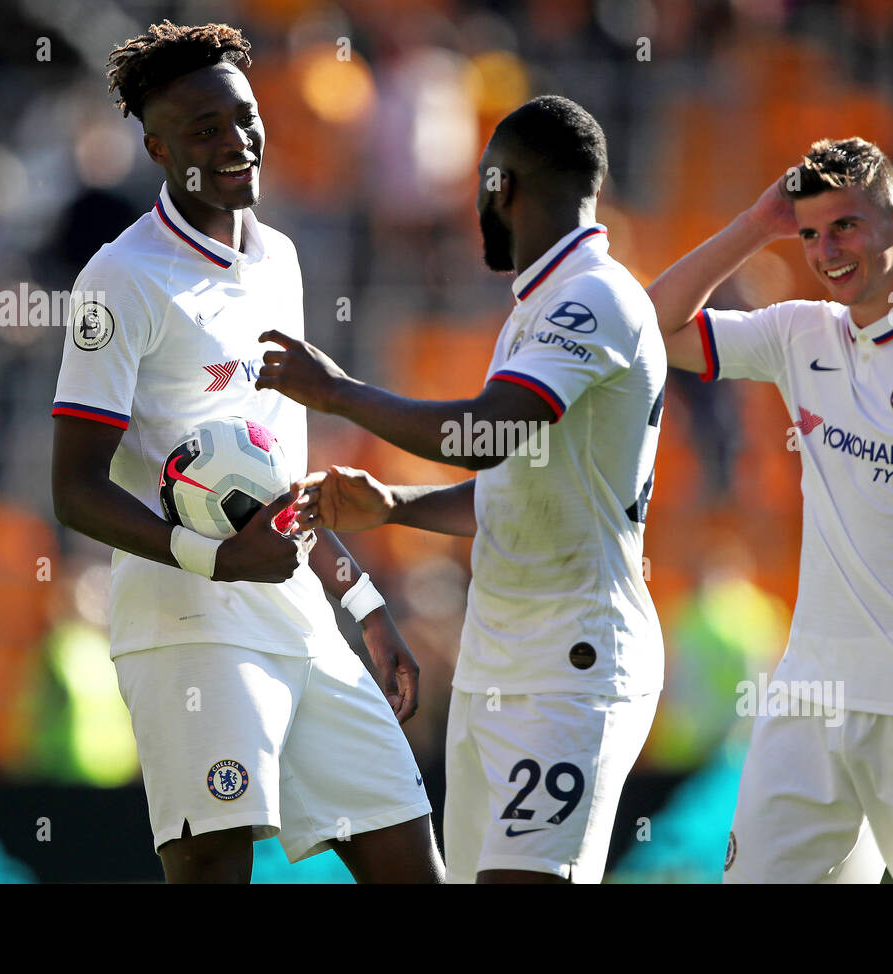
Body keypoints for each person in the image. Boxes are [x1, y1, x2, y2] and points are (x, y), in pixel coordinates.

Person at [49, 21, 442, 884]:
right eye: (202, 130)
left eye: (243, 117)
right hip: (190, 628)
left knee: (412, 862)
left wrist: (363, 601)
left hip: (298, 616)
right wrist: (216, 558)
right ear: (155, 149)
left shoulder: (280, 259)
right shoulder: (119, 279)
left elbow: (277, 479)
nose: (235, 142)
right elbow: (73, 491)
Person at [257, 96, 666, 883]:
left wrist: (338, 392)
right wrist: (395, 505)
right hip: (496, 656)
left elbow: (488, 432)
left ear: (501, 186)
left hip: (571, 658)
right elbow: (516, 485)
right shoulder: (541, 306)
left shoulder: (593, 298)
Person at [647, 137, 893, 883]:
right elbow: (652, 326)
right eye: (809, 234)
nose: (826, 251)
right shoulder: (800, 334)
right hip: (806, 696)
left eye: (845, 227)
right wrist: (756, 223)